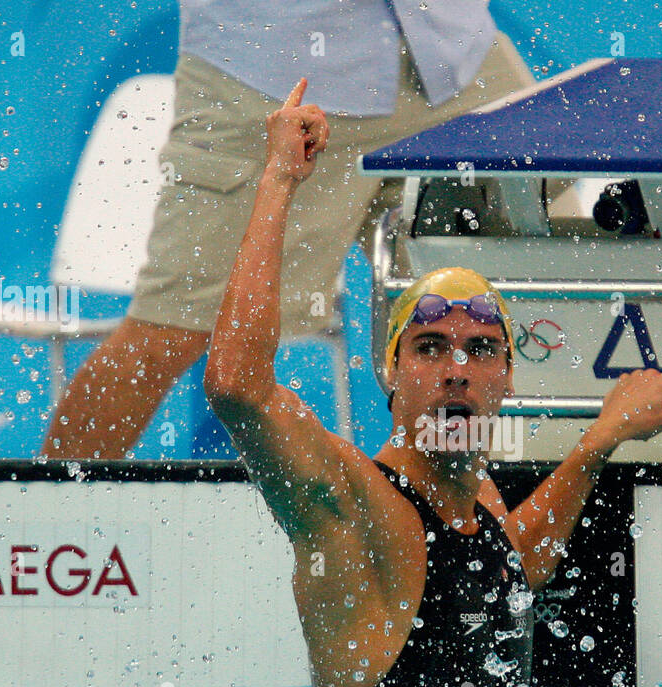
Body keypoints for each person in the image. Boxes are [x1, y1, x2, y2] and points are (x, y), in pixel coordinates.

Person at [204, 80, 662, 687]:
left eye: (480, 350)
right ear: (390, 373)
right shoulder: (354, 508)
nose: (455, 372)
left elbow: (512, 562)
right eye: (428, 348)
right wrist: (279, 181)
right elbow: (235, 388)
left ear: (507, 380)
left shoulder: (482, 500)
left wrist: (601, 438)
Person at [41, 1, 535, 459]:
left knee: (498, 323)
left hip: (452, 58)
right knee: (170, 333)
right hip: (269, 72)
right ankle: (49, 531)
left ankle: (479, 542)